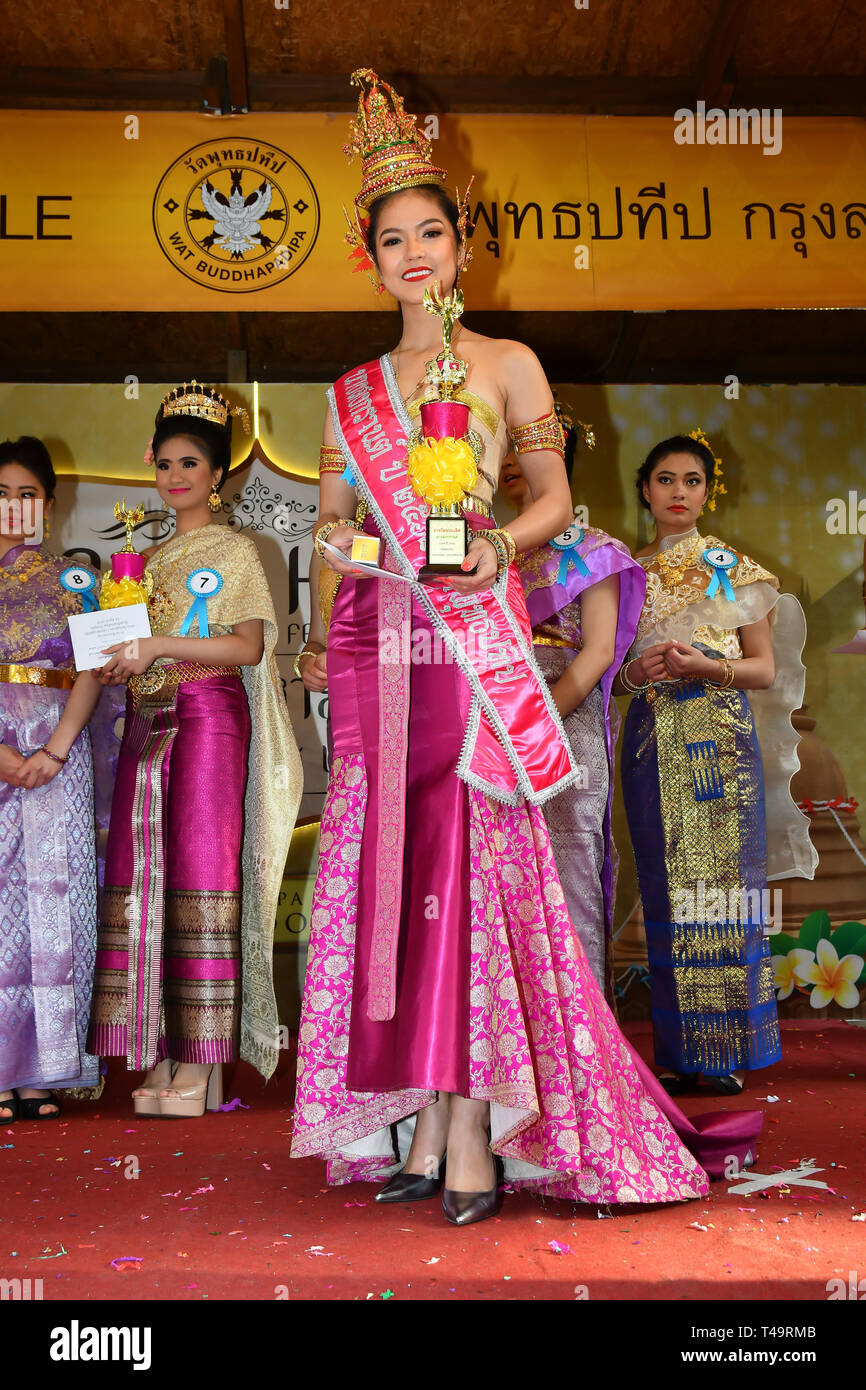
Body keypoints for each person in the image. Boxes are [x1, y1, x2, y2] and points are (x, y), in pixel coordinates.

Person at [290, 71, 761, 1225]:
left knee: (469, 872)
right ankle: (419, 1111)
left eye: (430, 232)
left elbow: (553, 498)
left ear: (462, 243)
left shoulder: (508, 364)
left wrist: (496, 550)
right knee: (393, 877)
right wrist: (333, 584)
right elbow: (329, 525)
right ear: (370, 256)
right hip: (379, 644)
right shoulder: (348, 390)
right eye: (390, 238)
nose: (413, 252)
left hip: (472, 643)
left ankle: (470, 1130)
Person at [87, 384, 302, 1116]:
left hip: (208, 713)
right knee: (150, 876)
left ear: (218, 476)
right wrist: (124, 658)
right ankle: (163, 1046)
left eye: (193, 464)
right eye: (167, 463)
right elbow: (135, 656)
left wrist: (155, 645)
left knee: (203, 871)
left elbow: (245, 646)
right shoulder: (145, 562)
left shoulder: (235, 549)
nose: (177, 477)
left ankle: (204, 1059)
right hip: (150, 723)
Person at [617, 433, 816, 1097]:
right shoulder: (619, 571)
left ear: (708, 491)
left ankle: (724, 1049)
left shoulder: (732, 568)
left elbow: (763, 668)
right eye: (666, 479)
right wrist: (630, 673)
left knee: (724, 897)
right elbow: (606, 674)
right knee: (667, 895)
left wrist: (709, 667)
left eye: (692, 481)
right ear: (645, 488)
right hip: (651, 742)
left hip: (723, 745)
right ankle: (677, 1053)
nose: (679, 492)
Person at [502, 423, 646, 999]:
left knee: (570, 868)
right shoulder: (481, 550)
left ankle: (583, 1046)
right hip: (494, 723)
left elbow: (600, 653)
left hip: (566, 721)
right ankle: (512, 1044)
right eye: (502, 451)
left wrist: (536, 720)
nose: (513, 462)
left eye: (529, 450)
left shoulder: (592, 550)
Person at [0, 437, 108, 1121]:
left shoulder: (77, 579)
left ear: (50, 502)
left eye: (27, 495)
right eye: (1, 495)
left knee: (53, 900)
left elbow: (97, 669)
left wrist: (59, 750)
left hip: (57, 755)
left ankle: (44, 1070)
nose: (14, 508)